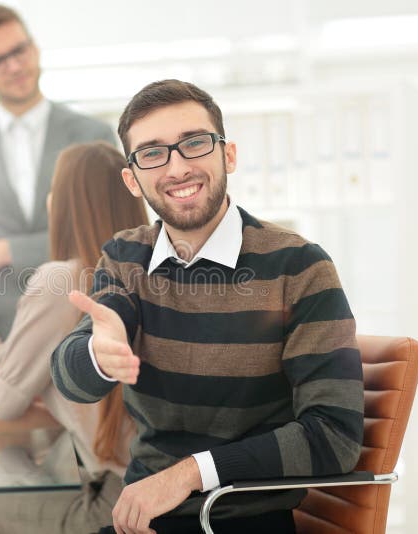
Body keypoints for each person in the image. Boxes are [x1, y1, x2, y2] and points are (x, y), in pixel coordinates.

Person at [51, 80, 365, 534]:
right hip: (140, 521)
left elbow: (334, 435)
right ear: (132, 180)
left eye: (194, 143)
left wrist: (190, 473)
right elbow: (71, 379)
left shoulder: (298, 267)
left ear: (228, 155)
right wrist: (98, 356)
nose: (177, 167)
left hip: (239, 522)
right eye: (153, 153)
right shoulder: (126, 256)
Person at [0, 4, 115, 406]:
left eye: (20, 50)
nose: (14, 65)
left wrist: (1, 251)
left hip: (73, 348)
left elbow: (104, 239)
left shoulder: (93, 137)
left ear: (35, 48)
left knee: (77, 469)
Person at [0, 141, 149, 534]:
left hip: (118, 505)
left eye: (53, 189)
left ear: (68, 203)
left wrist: (21, 396)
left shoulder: (62, 280)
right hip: (157, 496)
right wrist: (49, 400)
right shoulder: (156, 275)